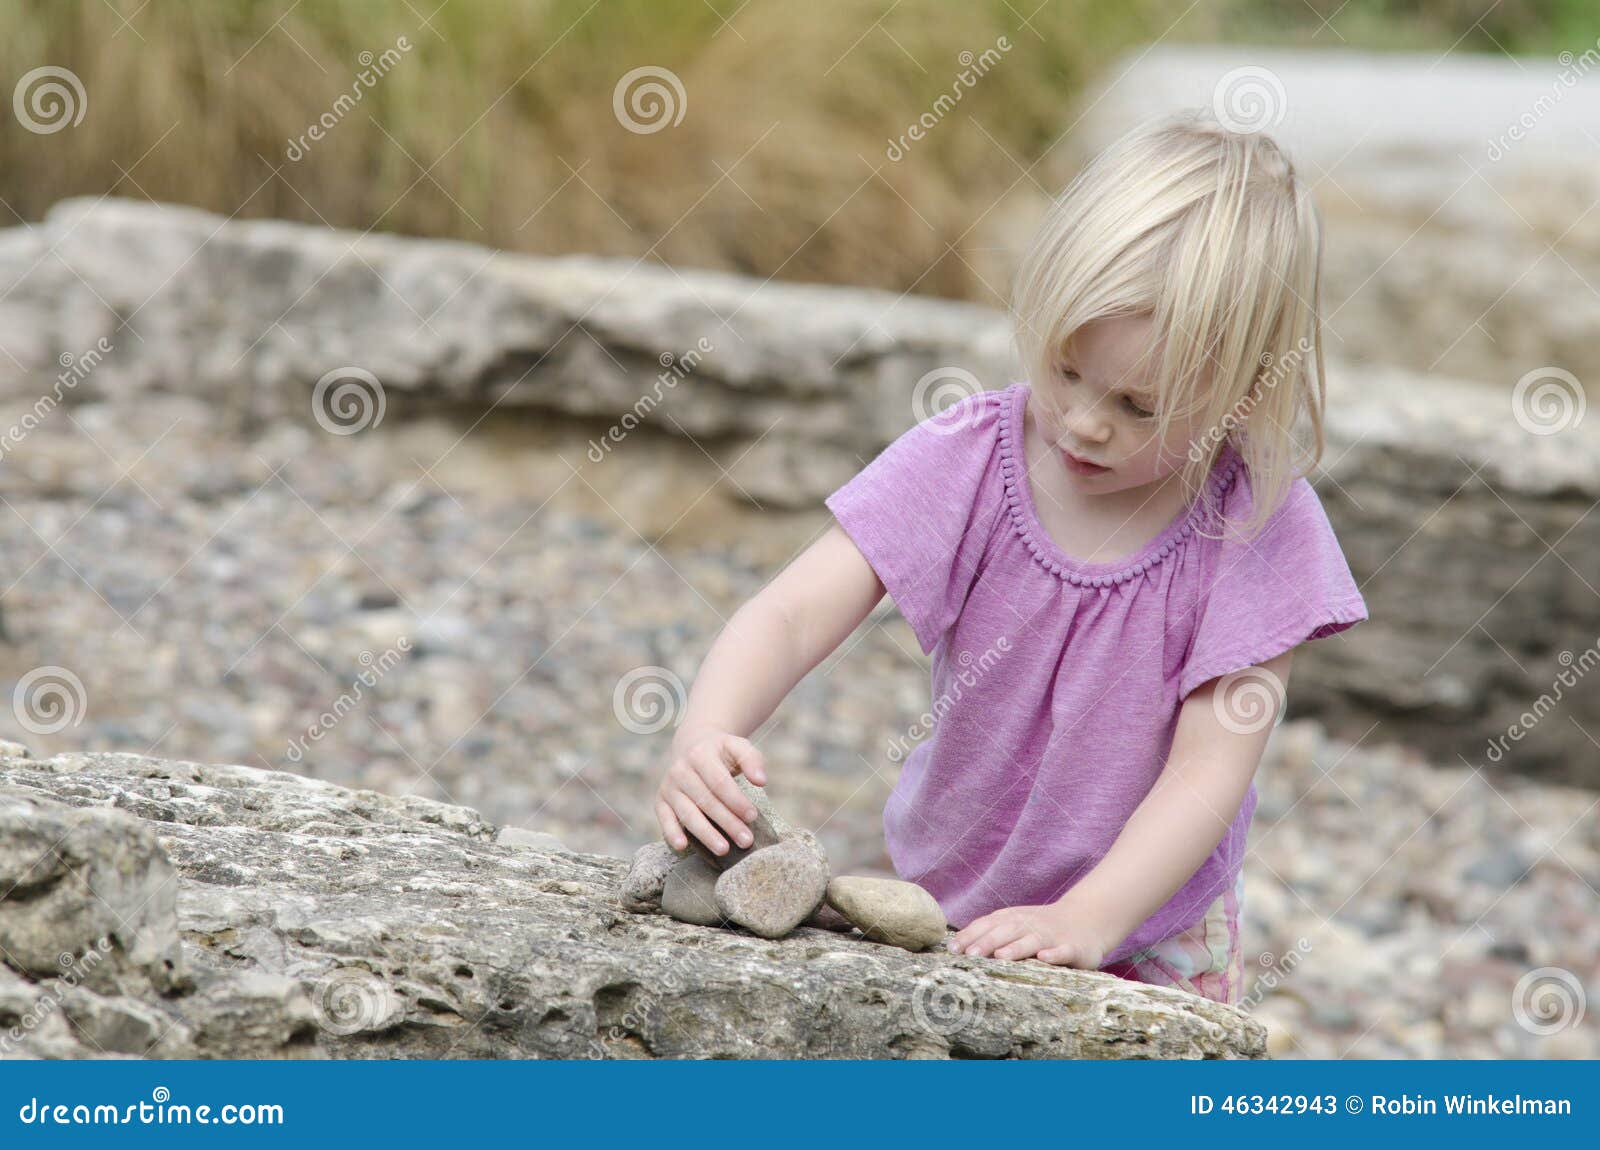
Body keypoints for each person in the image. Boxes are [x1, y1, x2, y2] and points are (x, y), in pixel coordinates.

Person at [652, 106, 1368, 1006]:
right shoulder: (972, 458)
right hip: (951, 897)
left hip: (1149, 927)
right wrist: (707, 729)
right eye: (1066, 369)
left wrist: (1090, 918)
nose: (1082, 421)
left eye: (1140, 407)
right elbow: (790, 614)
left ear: (1242, 394)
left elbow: (1209, 769)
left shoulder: (1254, 521)